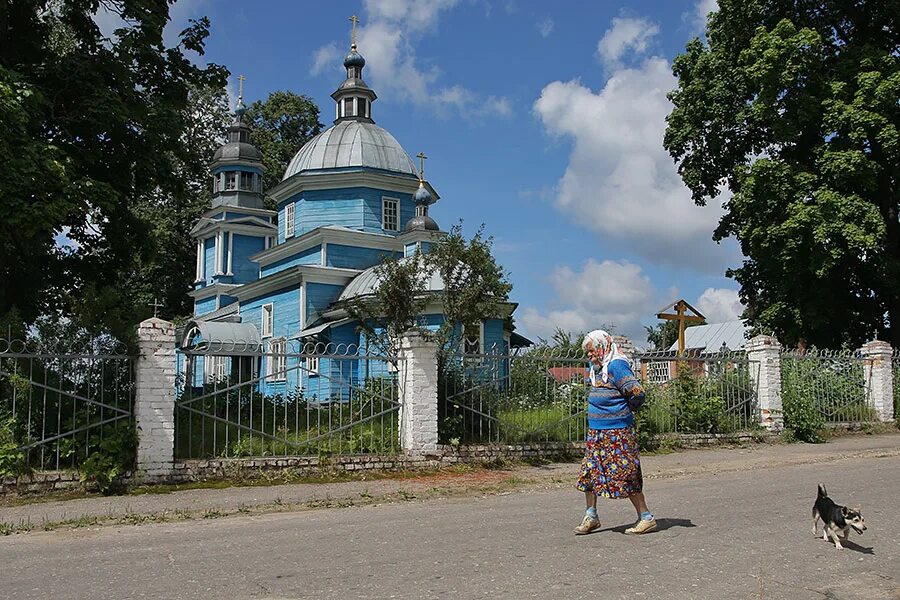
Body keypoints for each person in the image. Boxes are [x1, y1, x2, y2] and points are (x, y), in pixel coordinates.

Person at [574, 330, 656, 536]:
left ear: (602, 347)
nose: (589, 355)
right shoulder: (597, 369)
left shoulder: (616, 365)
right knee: (590, 473)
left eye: (591, 351)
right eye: (587, 352)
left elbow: (637, 392)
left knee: (626, 474)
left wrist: (626, 411)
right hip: (597, 432)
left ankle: (646, 517)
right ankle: (591, 516)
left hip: (618, 432)